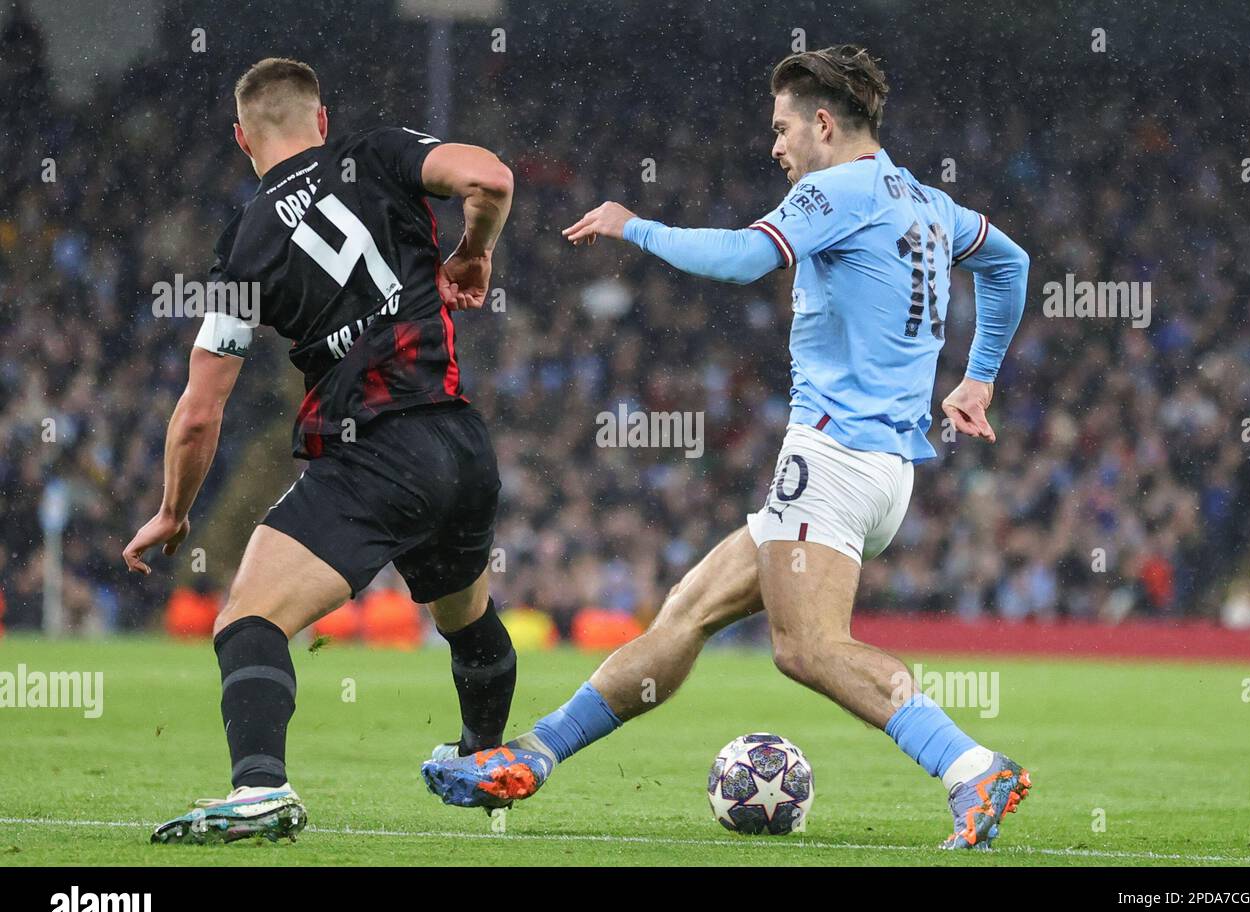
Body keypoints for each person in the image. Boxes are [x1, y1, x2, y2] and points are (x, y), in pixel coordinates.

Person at [422, 45, 1033, 849]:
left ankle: (969, 765)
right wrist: (978, 379)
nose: (775, 147)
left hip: (832, 460)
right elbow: (1009, 261)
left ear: (822, 123)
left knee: (807, 648)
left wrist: (631, 223)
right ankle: (531, 756)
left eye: (782, 129)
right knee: (688, 611)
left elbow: (747, 257)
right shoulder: (925, 200)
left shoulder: (834, 190)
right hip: (880, 471)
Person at [123, 58, 516, 844]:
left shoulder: (242, 248)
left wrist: (174, 511)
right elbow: (491, 178)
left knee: (248, 618)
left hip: (373, 451)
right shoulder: (376, 153)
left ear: (243, 140)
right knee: (466, 618)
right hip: (459, 441)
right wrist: (474, 250)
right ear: (323, 120)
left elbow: (201, 412)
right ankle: (484, 760)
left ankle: (261, 789)